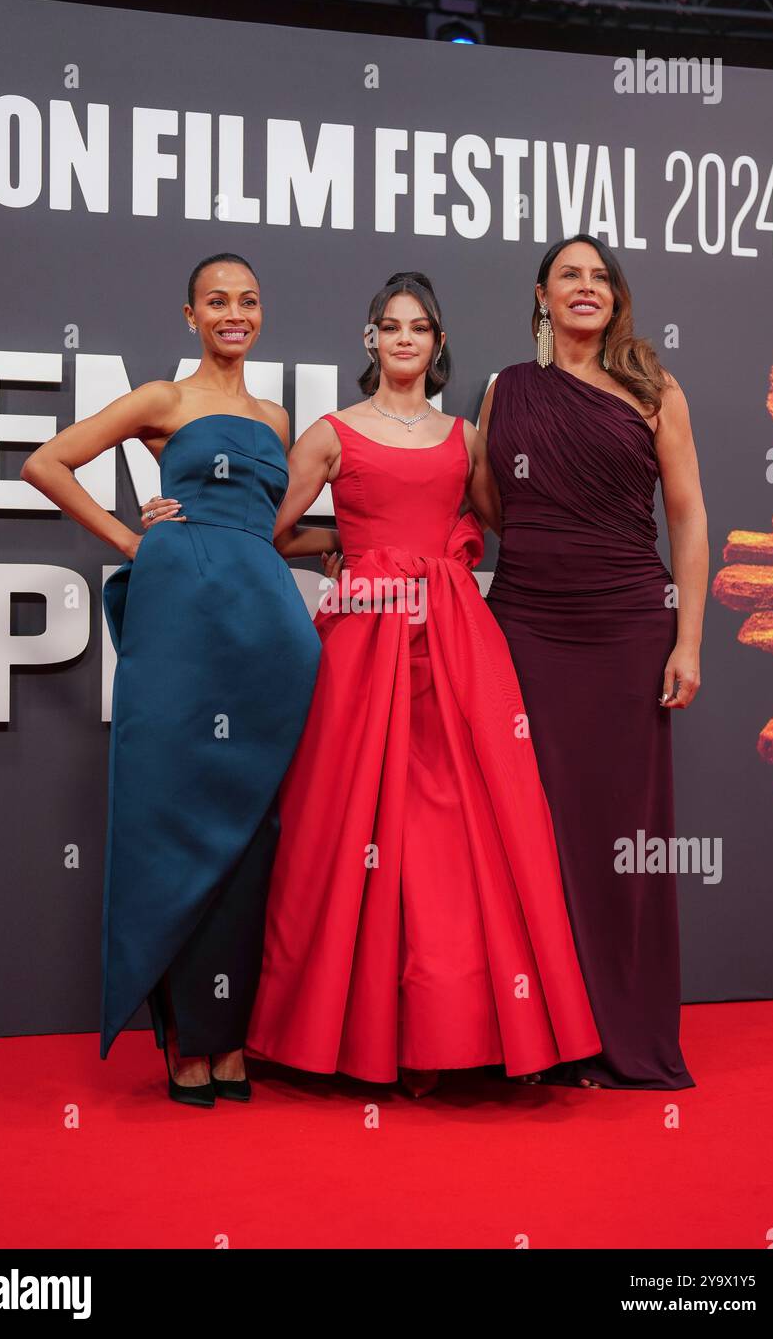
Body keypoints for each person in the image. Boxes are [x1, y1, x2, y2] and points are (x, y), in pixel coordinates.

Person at [235, 272, 601, 1097]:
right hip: (364, 644)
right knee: (355, 819)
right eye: (390, 326)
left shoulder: (464, 436)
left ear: (438, 345)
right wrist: (355, 550)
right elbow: (269, 529)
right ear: (371, 340)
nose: (404, 339)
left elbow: (499, 521)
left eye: (419, 328)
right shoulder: (332, 433)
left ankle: (452, 1031)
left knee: (454, 830)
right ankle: (357, 1031)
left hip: (455, 644)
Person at [21, 252, 321, 1107]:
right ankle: (187, 1044)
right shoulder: (164, 399)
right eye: (217, 301)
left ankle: (227, 1043)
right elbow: (45, 463)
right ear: (189, 314)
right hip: (183, 621)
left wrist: (342, 547)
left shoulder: (273, 412)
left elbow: (262, 529)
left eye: (249, 301)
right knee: (178, 817)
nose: (235, 313)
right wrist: (130, 541)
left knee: (251, 828)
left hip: (267, 631)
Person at [481, 234, 708, 1089]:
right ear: (541, 295)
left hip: (627, 630)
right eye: (569, 275)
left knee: (624, 837)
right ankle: (543, 1033)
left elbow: (687, 519)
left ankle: (623, 1032)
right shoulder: (507, 390)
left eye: (600, 277)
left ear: (617, 296)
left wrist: (687, 638)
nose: (586, 287)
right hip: (527, 629)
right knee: (531, 830)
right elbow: (488, 505)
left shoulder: (655, 390)